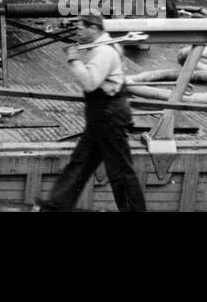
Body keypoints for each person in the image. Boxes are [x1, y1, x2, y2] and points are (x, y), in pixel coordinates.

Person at [41, 12, 147, 212]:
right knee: (81, 161)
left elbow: (90, 83)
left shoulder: (104, 52)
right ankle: (59, 203)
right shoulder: (98, 48)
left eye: (81, 28)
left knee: (120, 170)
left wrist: (74, 59)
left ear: (94, 28)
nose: (78, 32)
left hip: (109, 114)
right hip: (101, 114)